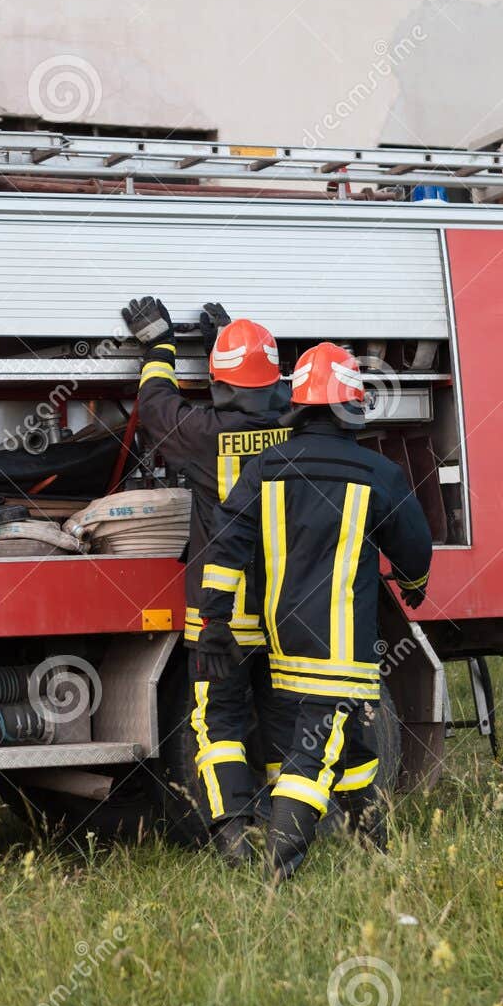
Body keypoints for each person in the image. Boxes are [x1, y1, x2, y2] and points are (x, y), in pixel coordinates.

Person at [197, 342, 432, 879]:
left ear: (299, 404)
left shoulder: (265, 468)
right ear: (353, 405)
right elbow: (414, 546)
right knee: (312, 756)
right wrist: (414, 582)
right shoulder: (378, 473)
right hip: (342, 645)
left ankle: (374, 844)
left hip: (285, 640)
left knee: (354, 745)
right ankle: (277, 876)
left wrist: (215, 619)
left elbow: (226, 545)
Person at [121, 296, 294, 864]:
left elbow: (156, 406)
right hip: (287, 613)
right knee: (282, 722)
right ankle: (289, 830)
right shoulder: (298, 430)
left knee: (218, 724)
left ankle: (234, 836)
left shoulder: (203, 436)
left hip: (220, 617)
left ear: (219, 384)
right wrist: (223, 342)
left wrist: (160, 347)